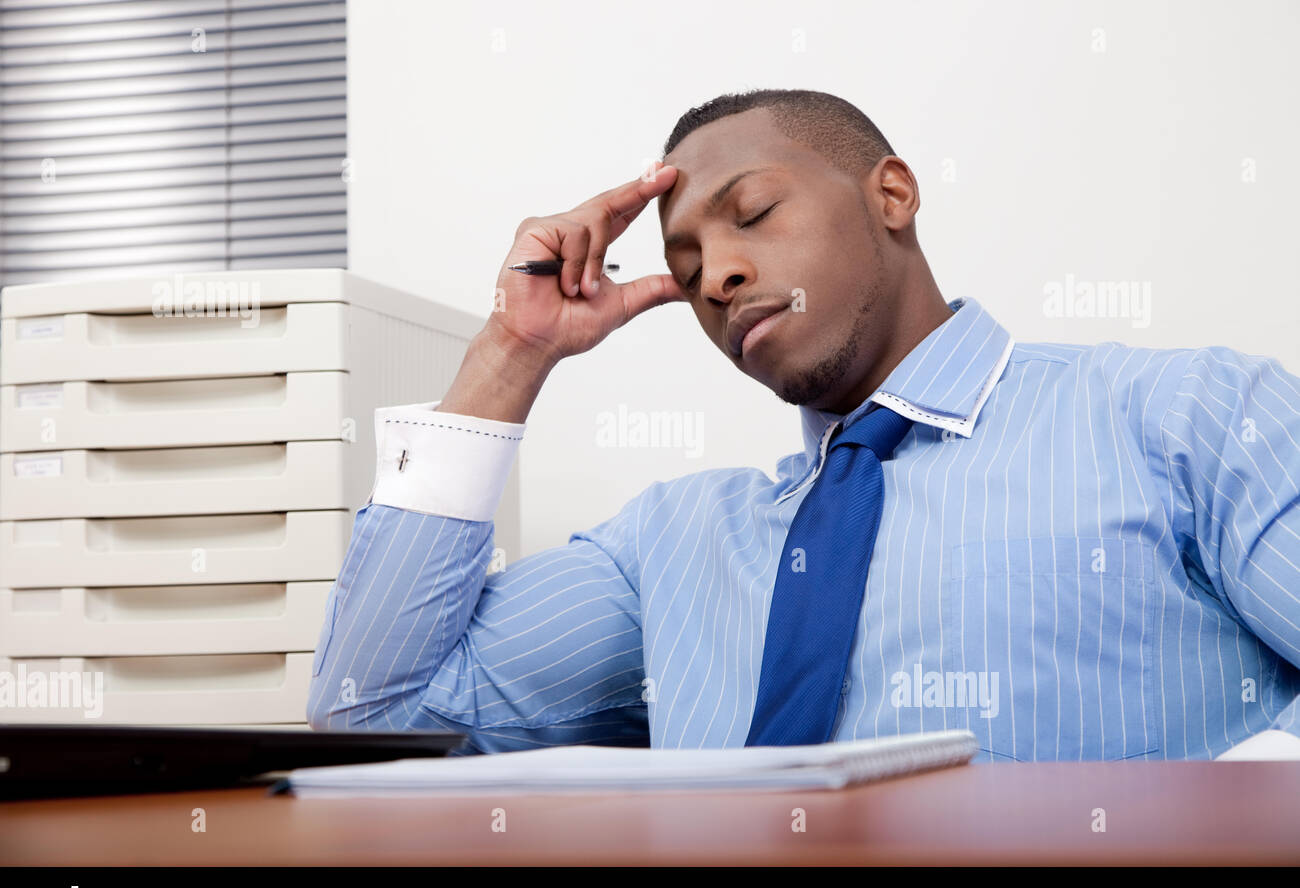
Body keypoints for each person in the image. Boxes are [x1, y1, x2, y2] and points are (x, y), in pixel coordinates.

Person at [307, 88, 1300, 761]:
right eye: (687, 263)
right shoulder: (669, 545)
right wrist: (509, 351)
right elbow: (374, 714)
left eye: (752, 213)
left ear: (892, 194)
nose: (718, 275)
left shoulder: (1186, 418)